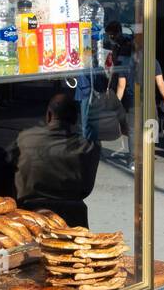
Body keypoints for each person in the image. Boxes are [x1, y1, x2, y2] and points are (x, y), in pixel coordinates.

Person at [11, 92, 102, 227]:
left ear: (48, 115)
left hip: (30, 214)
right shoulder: (90, 145)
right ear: (75, 119)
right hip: (74, 215)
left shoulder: (25, 138)